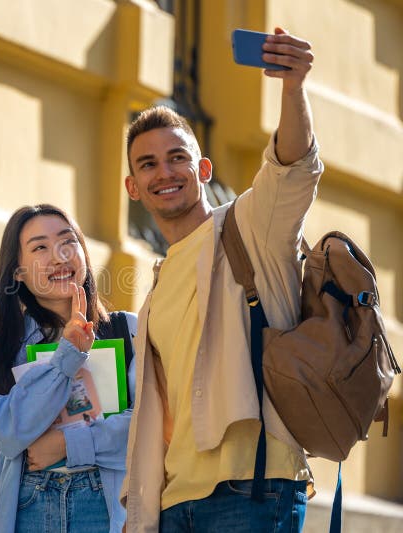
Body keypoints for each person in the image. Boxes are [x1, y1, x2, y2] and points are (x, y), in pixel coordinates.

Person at [120, 28, 322, 532]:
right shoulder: (157, 288)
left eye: (177, 158)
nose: (164, 172)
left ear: (203, 169)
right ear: (133, 186)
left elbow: (292, 169)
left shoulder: (252, 229)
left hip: (251, 489)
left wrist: (292, 89)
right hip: (175, 505)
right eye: (147, 164)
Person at [0, 204, 137, 533]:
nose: (59, 256)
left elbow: (148, 428)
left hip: (106, 505)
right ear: (17, 271)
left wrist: (67, 446)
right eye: (40, 247)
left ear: (84, 253)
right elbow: (8, 433)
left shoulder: (128, 331)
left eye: (67, 241)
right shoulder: (0, 349)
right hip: (30, 505)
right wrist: (69, 355)